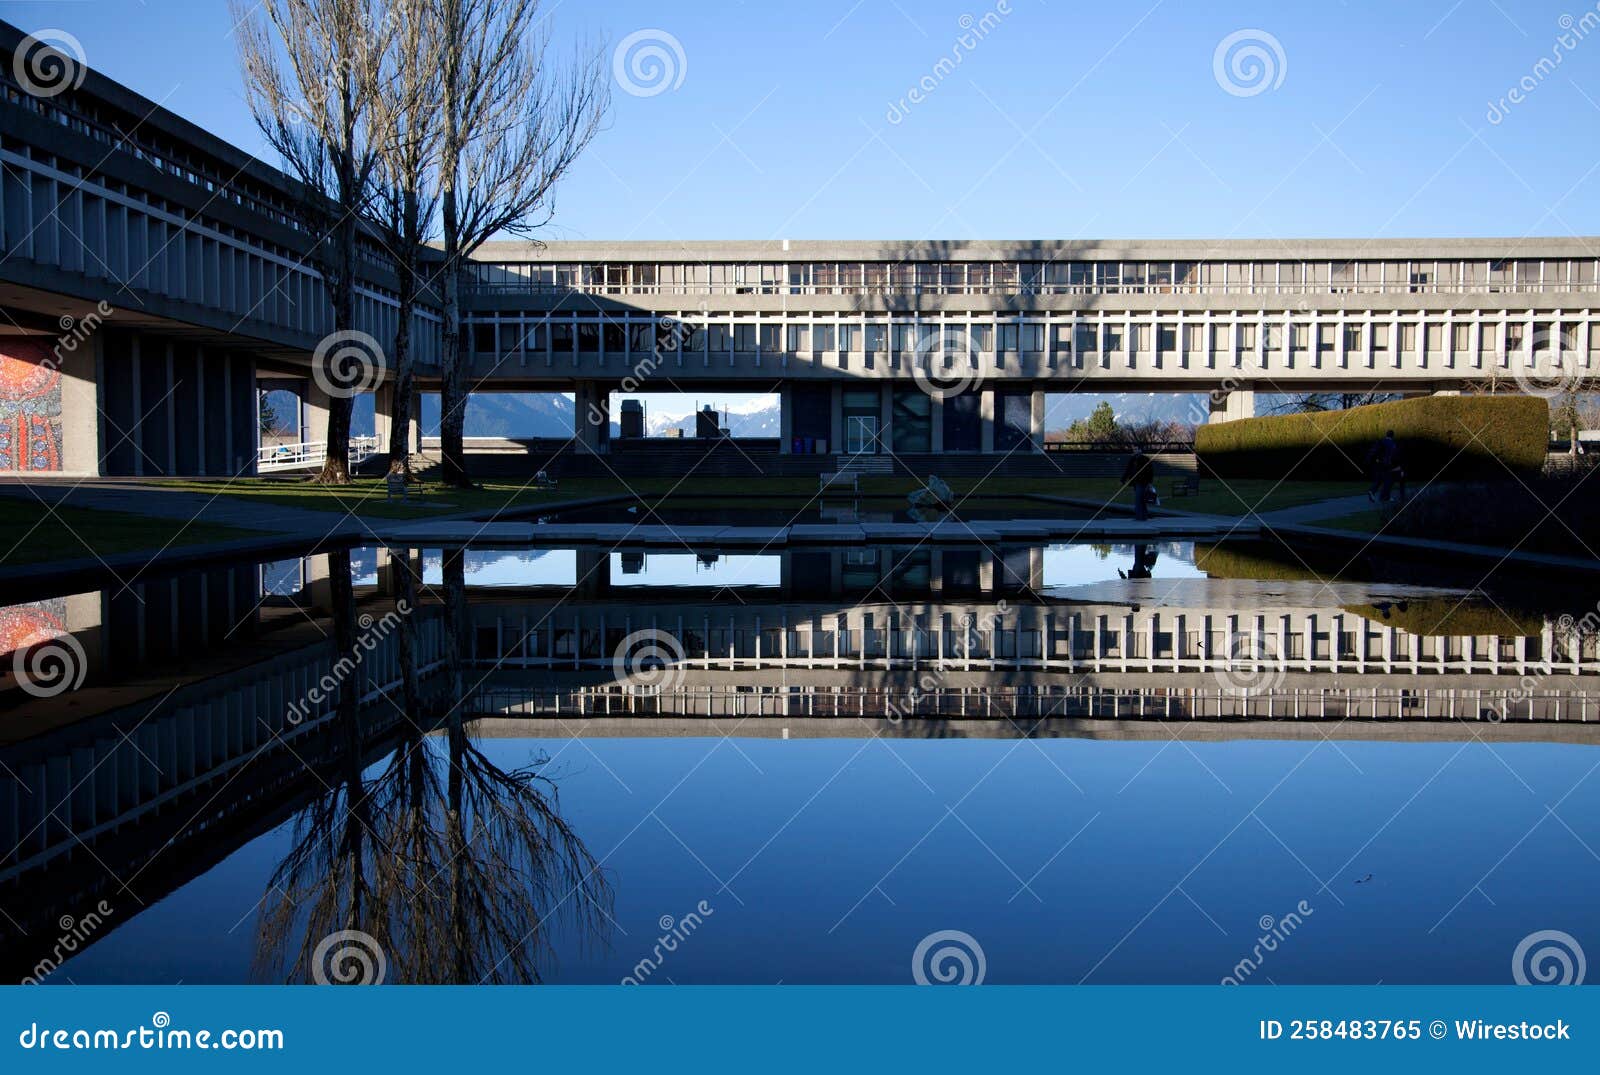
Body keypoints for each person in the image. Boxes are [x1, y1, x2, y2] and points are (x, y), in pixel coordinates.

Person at [1122, 445, 1154, 520]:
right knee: (1141, 499)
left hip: (1143, 482)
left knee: (1138, 499)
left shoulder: (1145, 459)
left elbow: (1150, 472)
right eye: (1134, 449)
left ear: (1140, 450)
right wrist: (1123, 479)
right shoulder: (1132, 459)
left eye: (1136, 449)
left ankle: (1139, 517)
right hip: (1135, 482)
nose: (1134, 450)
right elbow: (1128, 470)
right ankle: (1144, 516)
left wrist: (1150, 482)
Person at [1366, 429, 1397, 502]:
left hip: (1379, 463)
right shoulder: (1392, 444)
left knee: (1379, 479)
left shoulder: (1381, 441)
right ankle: (1385, 497)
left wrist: (1374, 459)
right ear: (1393, 436)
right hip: (1387, 464)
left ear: (1386, 434)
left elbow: (1374, 451)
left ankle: (1372, 491)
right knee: (1388, 480)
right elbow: (1393, 455)